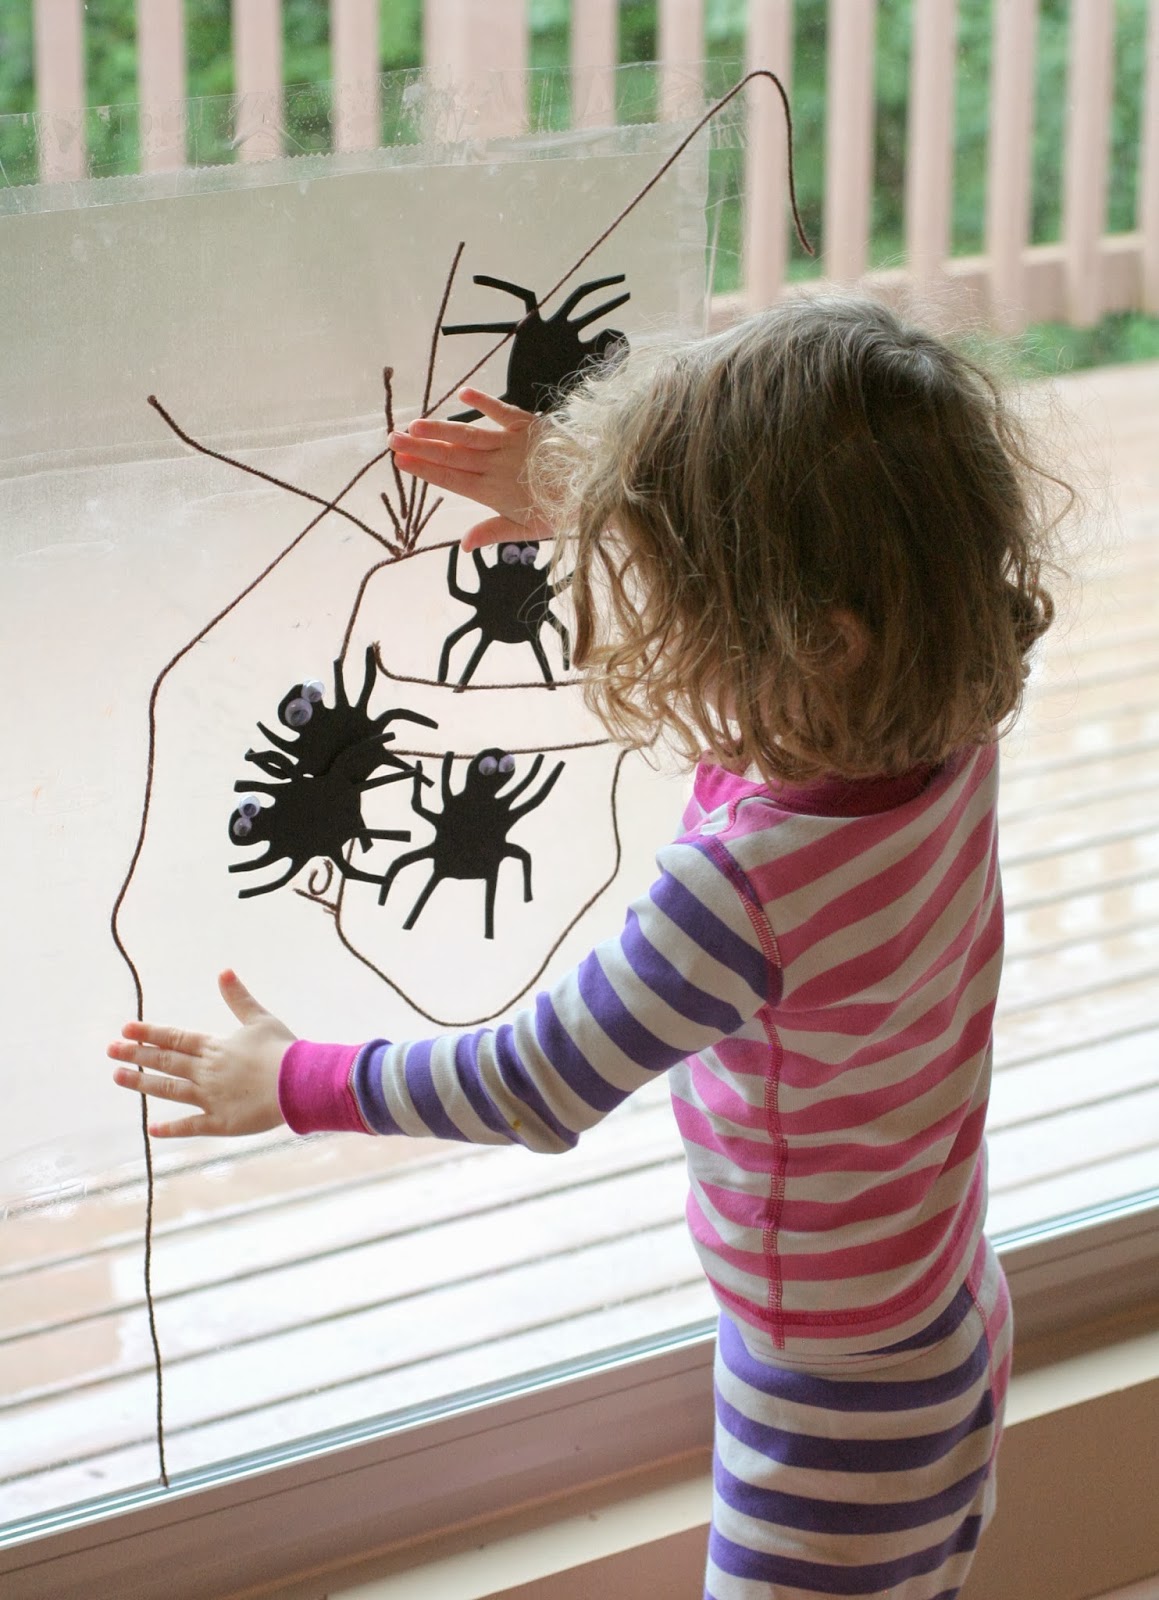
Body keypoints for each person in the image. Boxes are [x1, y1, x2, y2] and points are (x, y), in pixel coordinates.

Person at [110, 295, 1062, 1599]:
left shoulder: (741, 897)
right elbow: (852, 513)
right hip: (943, 1313)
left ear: (810, 639)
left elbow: (532, 1084)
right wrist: (586, 479)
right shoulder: (947, 707)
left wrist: (286, 1079)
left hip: (834, 1407)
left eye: (673, 571)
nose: (646, 593)